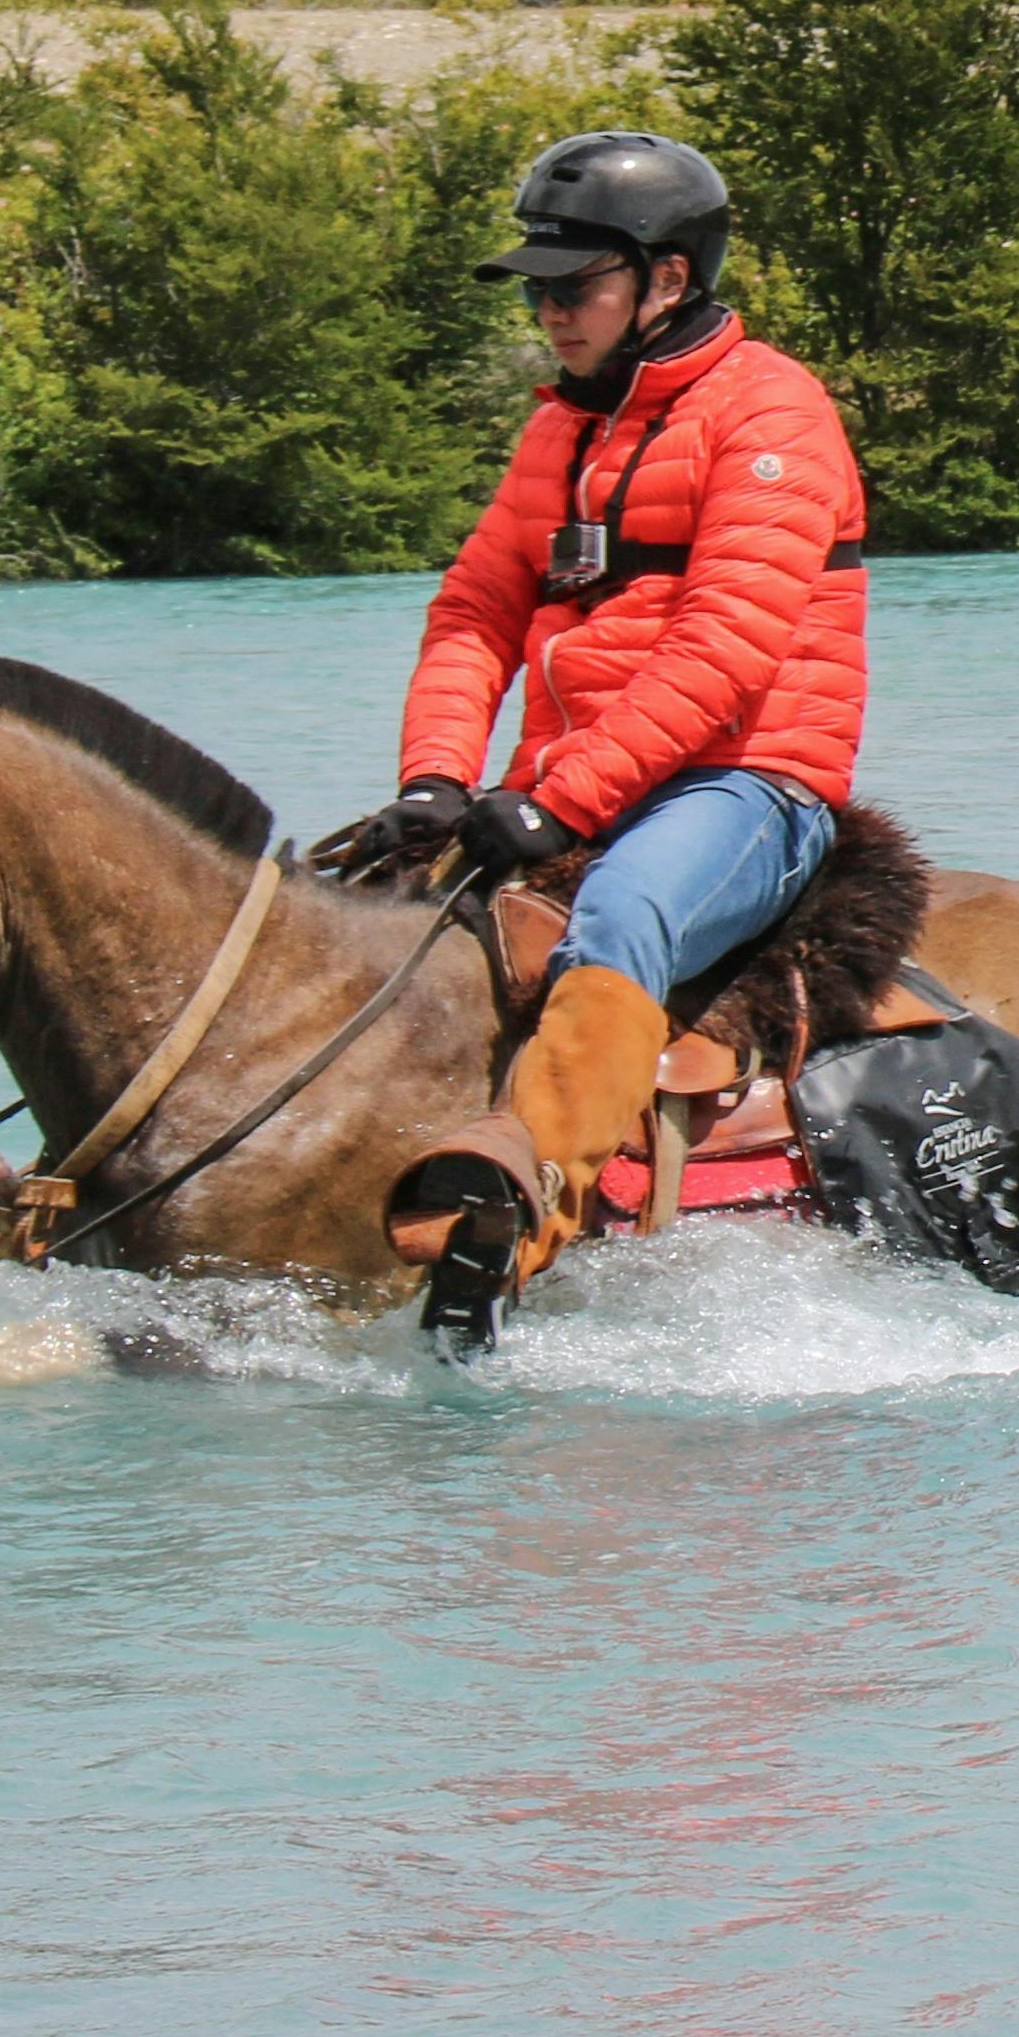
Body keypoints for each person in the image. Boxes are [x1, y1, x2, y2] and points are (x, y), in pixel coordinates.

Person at [319, 130, 868, 1316]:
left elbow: (724, 649)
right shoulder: (560, 427)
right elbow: (474, 611)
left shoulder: (772, 413)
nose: (550, 313)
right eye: (539, 291)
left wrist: (557, 800)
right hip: (574, 775)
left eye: (574, 287)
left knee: (623, 906)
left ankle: (528, 1206)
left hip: (746, 783)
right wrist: (434, 781)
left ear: (666, 279)